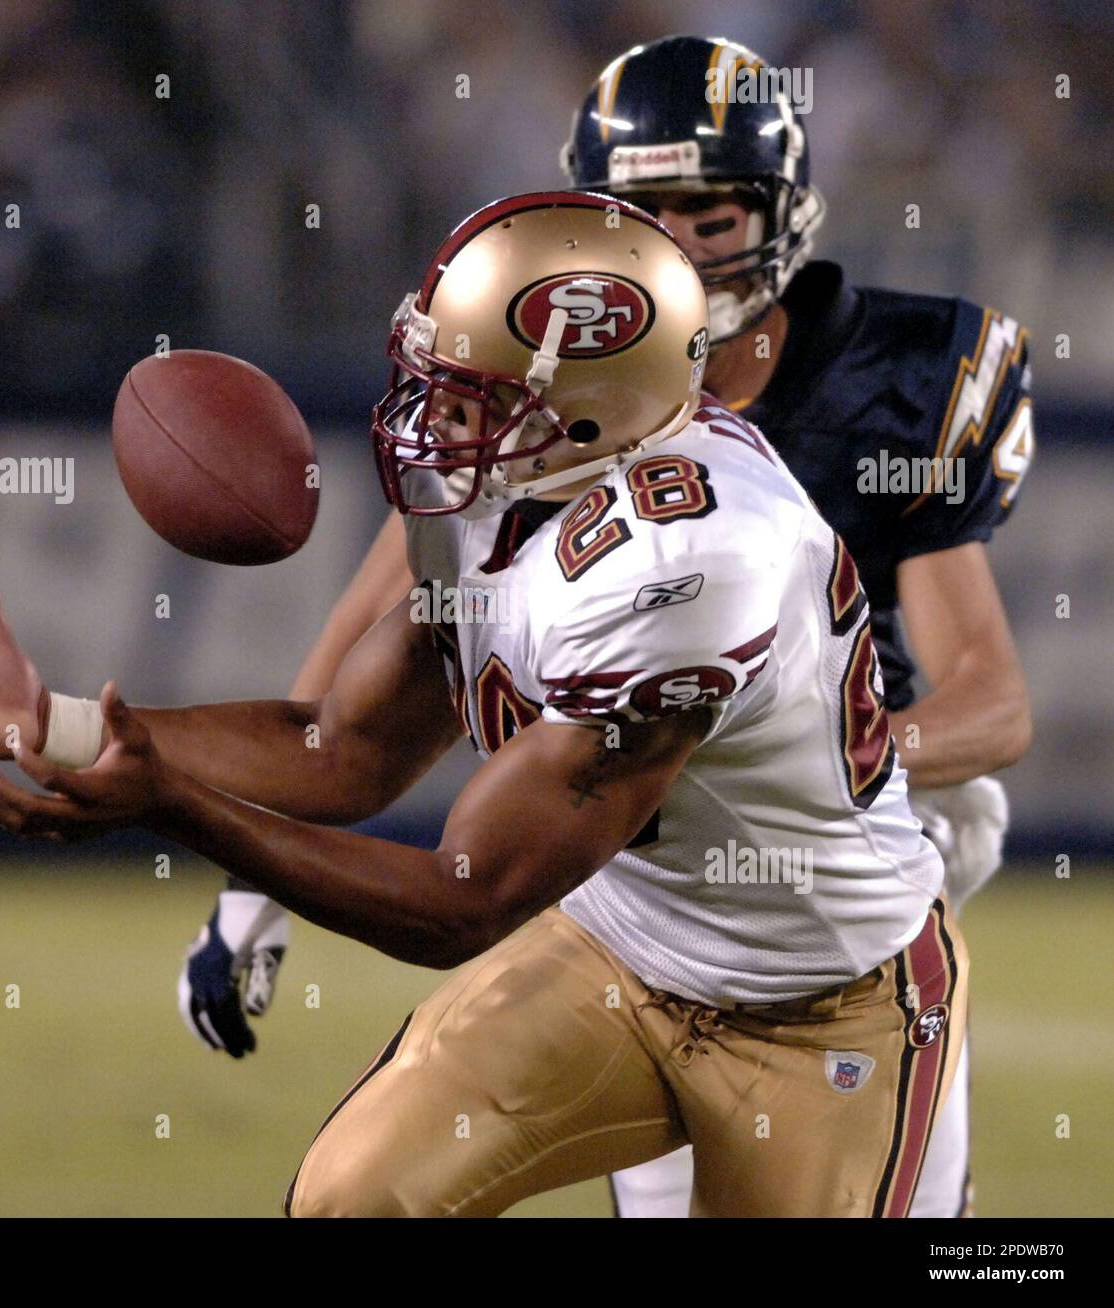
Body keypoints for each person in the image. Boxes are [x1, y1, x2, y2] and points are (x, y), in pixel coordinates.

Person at [0, 192, 965, 1217]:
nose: (428, 413)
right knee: (352, 1201)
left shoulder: (692, 564)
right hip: (620, 953)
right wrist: (56, 727)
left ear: (582, 414)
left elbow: (459, 905)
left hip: (821, 1006)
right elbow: (343, 753)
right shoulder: (508, 480)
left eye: (469, 392)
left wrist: (170, 806)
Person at [180, 35, 1033, 1218]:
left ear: (779, 212)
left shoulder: (884, 392)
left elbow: (993, 698)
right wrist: (246, 882)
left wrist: (871, 767)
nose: (676, 244)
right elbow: (379, 662)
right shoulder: (525, 404)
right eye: (646, 210)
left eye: (710, 210)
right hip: (623, 882)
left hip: (815, 880)